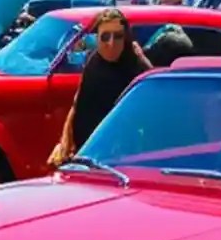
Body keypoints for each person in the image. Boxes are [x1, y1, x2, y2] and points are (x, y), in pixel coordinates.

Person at [49, 9, 152, 165]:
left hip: (121, 160)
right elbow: (77, 105)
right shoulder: (93, 63)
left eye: (118, 36)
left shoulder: (135, 69)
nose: (111, 43)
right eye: (105, 37)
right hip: (86, 153)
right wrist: (64, 143)